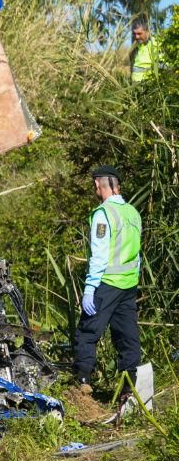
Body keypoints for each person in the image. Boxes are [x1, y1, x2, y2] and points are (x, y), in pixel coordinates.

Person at [76, 165, 143, 393]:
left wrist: (89, 288)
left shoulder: (103, 215)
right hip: (129, 285)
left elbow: (100, 255)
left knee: (87, 331)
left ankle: (83, 383)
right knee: (127, 337)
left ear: (97, 184)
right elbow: (138, 254)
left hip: (107, 284)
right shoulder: (133, 213)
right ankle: (129, 390)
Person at [130, 18, 157, 83]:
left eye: (139, 33)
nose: (136, 37)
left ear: (147, 32)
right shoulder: (137, 47)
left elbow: (162, 68)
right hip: (136, 88)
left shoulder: (155, 45)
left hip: (149, 87)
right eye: (134, 34)